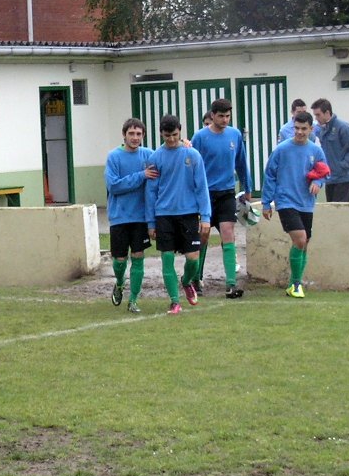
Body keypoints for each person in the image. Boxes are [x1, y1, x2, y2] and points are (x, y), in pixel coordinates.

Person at [145, 115, 210, 315]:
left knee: (193, 260)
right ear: (161, 134)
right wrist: (151, 222)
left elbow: (202, 188)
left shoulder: (193, 155)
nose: (171, 139)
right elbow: (151, 192)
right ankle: (174, 301)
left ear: (180, 131)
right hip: (164, 215)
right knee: (166, 258)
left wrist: (205, 217)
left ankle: (187, 280)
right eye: (167, 136)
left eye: (174, 135)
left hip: (189, 215)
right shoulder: (156, 157)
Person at [262, 111, 330, 298]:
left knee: (305, 242)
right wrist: (267, 202)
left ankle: (294, 283)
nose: (299, 132)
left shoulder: (316, 151)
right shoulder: (281, 149)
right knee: (300, 239)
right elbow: (270, 175)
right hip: (285, 201)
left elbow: (324, 171)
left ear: (311, 129)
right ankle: (296, 284)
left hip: (306, 203)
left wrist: (317, 182)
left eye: (304, 129)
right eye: (297, 128)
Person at [190, 98, 251, 299]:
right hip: (205, 194)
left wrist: (247, 187)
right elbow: (191, 166)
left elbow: (241, 163)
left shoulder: (234, 135)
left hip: (226, 193)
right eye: (221, 116)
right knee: (204, 235)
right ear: (213, 115)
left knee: (228, 232)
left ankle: (231, 284)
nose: (225, 120)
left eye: (228, 116)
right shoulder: (200, 137)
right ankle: (196, 278)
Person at [104, 119, 155, 313]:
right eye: (131, 134)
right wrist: (141, 175)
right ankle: (119, 282)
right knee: (119, 260)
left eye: (138, 134)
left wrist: (185, 145)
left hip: (141, 217)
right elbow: (114, 186)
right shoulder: (114, 157)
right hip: (119, 216)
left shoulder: (149, 155)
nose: (135, 138)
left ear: (143, 136)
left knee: (138, 255)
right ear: (124, 135)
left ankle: (133, 299)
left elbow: (168, 156)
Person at [309, 98, 349, 202]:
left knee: (340, 210)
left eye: (318, 115)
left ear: (327, 113)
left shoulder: (343, 127)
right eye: (315, 115)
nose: (316, 118)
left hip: (343, 176)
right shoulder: (322, 129)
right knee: (331, 207)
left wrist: (343, 165)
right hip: (330, 176)